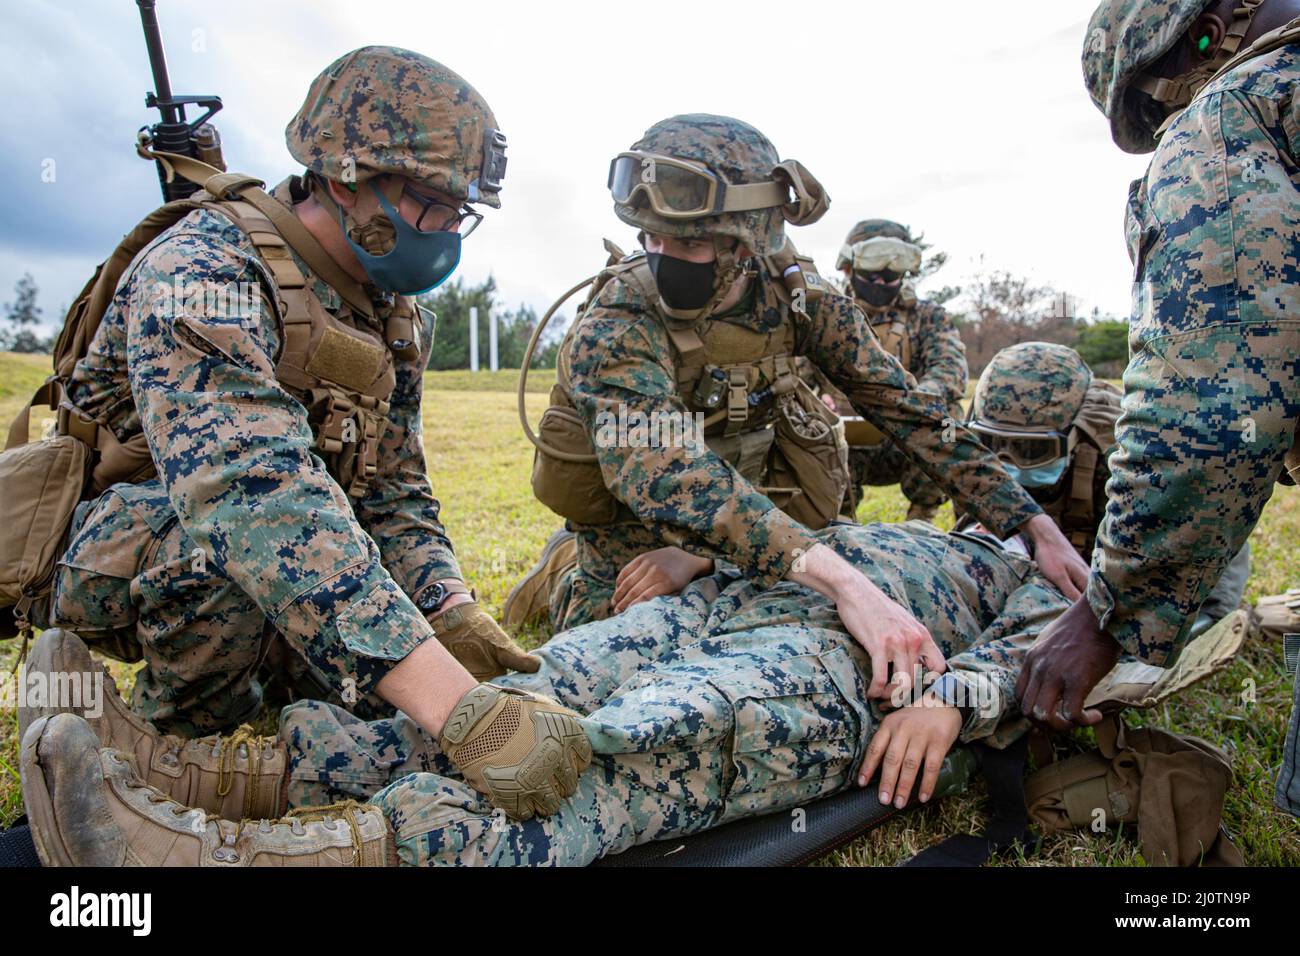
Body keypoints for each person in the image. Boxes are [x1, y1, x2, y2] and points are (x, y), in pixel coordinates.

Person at [19, 47, 589, 821]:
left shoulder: (387, 312)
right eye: (431, 204)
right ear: (349, 177)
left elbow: (393, 494)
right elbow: (252, 501)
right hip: (134, 544)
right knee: (236, 563)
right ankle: (165, 747)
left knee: (379, 697)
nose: (449, 232)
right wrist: (457, 705)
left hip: (292, 550)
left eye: (463, 214)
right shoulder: (203, 270)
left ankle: (282, 689)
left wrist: (449, 609)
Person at [21, 518, 1070, 866]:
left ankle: (229, 858)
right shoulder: (915, 520)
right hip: (735, 600)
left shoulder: (1046, 576)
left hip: (845, 672)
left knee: (609, 746)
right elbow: (786, 531)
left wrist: (956, 700)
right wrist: (701, 561)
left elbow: (1056, 653)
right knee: (523, 695)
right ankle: (209, 771)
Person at [515, 114, 1089, 672]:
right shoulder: (617, 320)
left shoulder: (799, 299)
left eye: (689, 247)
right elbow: (665, 471)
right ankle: (564, 567)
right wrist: (845, 582)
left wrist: (1031, 525)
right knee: (626, 658)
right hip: (633, 535)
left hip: (756, 516)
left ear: (746, 244)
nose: (663, 258)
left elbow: (908, 410)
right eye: (650, 239)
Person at [1019, 0, 1299, 825]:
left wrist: (1111, 611)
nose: (1168, 121)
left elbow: (1209, 403)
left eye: (1155, 103)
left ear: (1202, 38)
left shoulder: (1229, 114)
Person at [960, 342, 1251, 636]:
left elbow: (1160, 563)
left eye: (1032, 448)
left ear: (1076, 433)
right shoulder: (976, 464)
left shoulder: (1131, 457)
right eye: (994, 444)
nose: (1007, 461)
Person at [823, 220, 969, 522]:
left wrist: (911, 404)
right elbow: (792, 375)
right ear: (848, 269)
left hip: (904, 439)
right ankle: (837, 526)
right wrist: (816, 401)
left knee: (949, 416)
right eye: (871, 274)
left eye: (890, 276)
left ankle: (922, 520)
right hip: (841, 442)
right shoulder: (826, 313)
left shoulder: (927, 316)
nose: (879, 283)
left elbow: (950, 370)